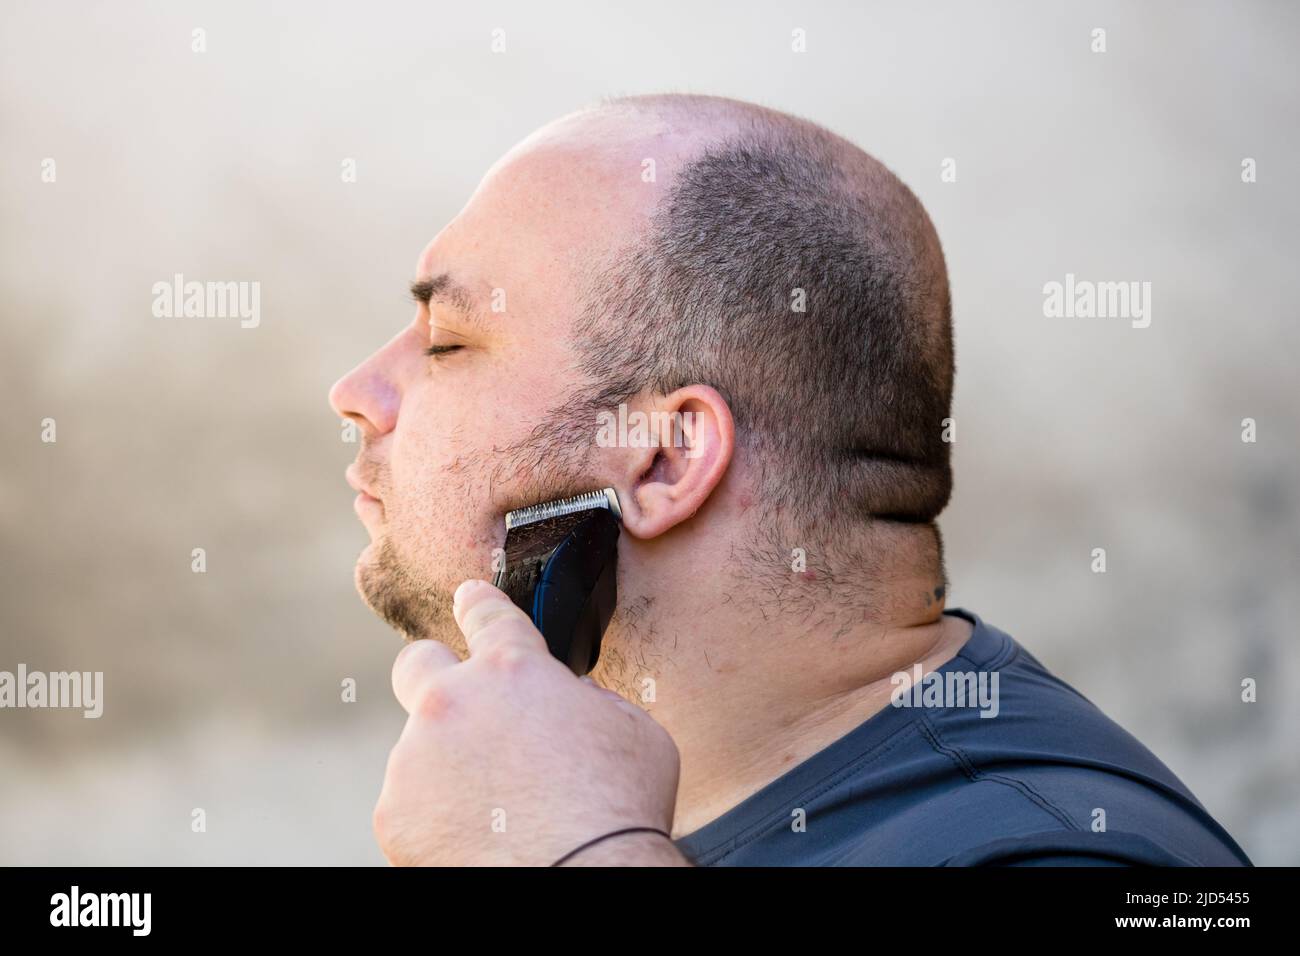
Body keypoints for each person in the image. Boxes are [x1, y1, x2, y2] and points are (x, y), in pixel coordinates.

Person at [328, 94, 1251, 867]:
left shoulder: (1062, 852)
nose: (356, 392)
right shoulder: (642, 801)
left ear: (665, 459)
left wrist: (570, 854)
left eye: (448, 341)